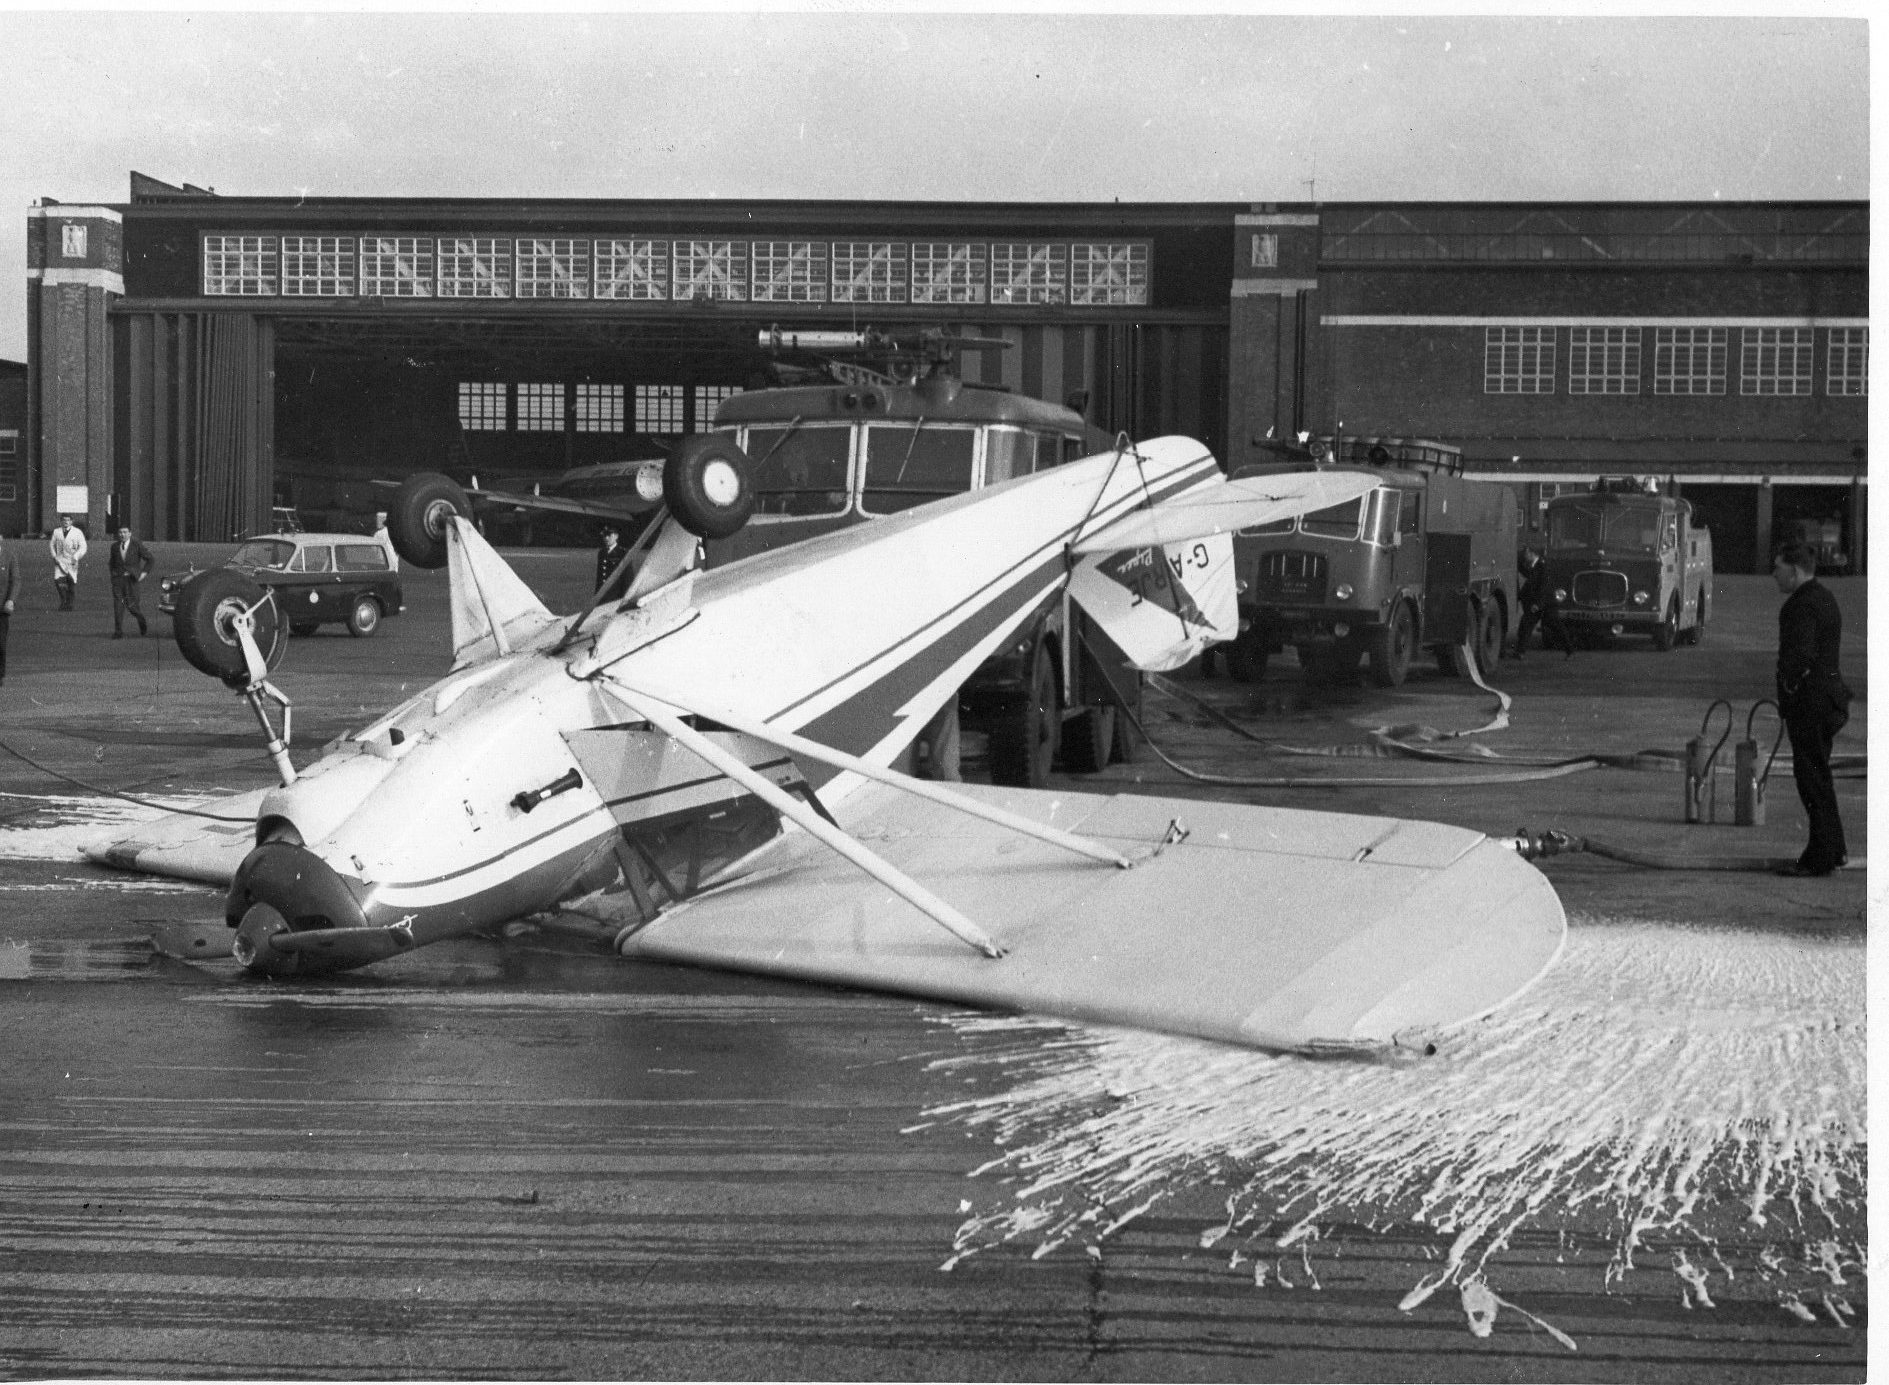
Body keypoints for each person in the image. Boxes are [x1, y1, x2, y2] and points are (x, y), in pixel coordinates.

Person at [1772, 538, 1849, 877]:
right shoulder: (1826, 598)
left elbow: (1799, 657)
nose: (1774, 575)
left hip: (1811, 703)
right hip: (1831, 698)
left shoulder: (1799, 606)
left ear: (1795, 569)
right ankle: (1834, 850)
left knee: (1811, 779)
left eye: (1778, 568)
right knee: (1820, 776)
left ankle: (1819, 857)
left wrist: (1789, 688)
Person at [1513, 546, 1574, 660]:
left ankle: (1569, 649)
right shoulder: (1534, 565)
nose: (1524, 556)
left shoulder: (1542, 566)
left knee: (1556, 626)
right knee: (1525, 626)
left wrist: (1538, 604)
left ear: (1532, 554)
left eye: (1526, 553)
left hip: (1546, 604)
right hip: (1536, 603)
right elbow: (1526, 573)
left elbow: (1544, 587)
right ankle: (1520, 652)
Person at [108, 524, 154, 638]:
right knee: (118, 605)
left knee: (133, 607)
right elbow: (111, 563)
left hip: (131, 580)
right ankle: (118, 632)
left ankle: (142, 622)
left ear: (130, 533)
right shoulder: (114, 546)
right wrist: (113, 575)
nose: (122, 535)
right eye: (120, 532)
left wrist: (143, 574)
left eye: (125, 532)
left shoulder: (136, 544)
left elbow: (150, 559)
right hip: (118, 580)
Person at [49, 515, 87, 610]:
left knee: (71, 581)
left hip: (72, 561)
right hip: (60, 560)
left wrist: (76, 556)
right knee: (58, 580)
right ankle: (64, 600)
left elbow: (83, 546)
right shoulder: (56, 531)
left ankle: (69, 604)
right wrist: (54, 556)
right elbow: (51, 545)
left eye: (68, 520)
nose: (66, 522)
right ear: (61, 521)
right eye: (64, 520)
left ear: (71, 521)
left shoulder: (77, 532)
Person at [596, 524, 633, 602]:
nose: (606, 538)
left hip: (615, 596)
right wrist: (596, 595)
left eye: (609, 535)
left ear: (616, 536)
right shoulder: (602, 552)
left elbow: (628, 578)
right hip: (602, 596)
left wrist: (624, 598)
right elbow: (599, 577)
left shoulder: (623, 553)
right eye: (604, 535)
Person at [0, 532, 18, 686]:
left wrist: (11, 600)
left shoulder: (8, 556)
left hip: (2, 608)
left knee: (0, 643)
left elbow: (15, 581)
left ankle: (0, 674)